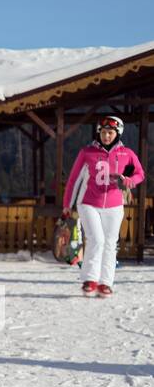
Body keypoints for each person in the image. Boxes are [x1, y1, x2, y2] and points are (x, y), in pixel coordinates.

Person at [63, 115, 145, 298]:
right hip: (88, 202)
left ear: (117, 133)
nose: (106, 136)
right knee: (97, 239)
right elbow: (73, 180)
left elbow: (140, 174)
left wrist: (131, 181)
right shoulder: (87, 152)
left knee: (109, 244)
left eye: (110, 132)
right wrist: (67, 204)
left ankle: (105, 283)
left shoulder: (127, 153)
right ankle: (90, 279)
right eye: (103, 132)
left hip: (115, 205)